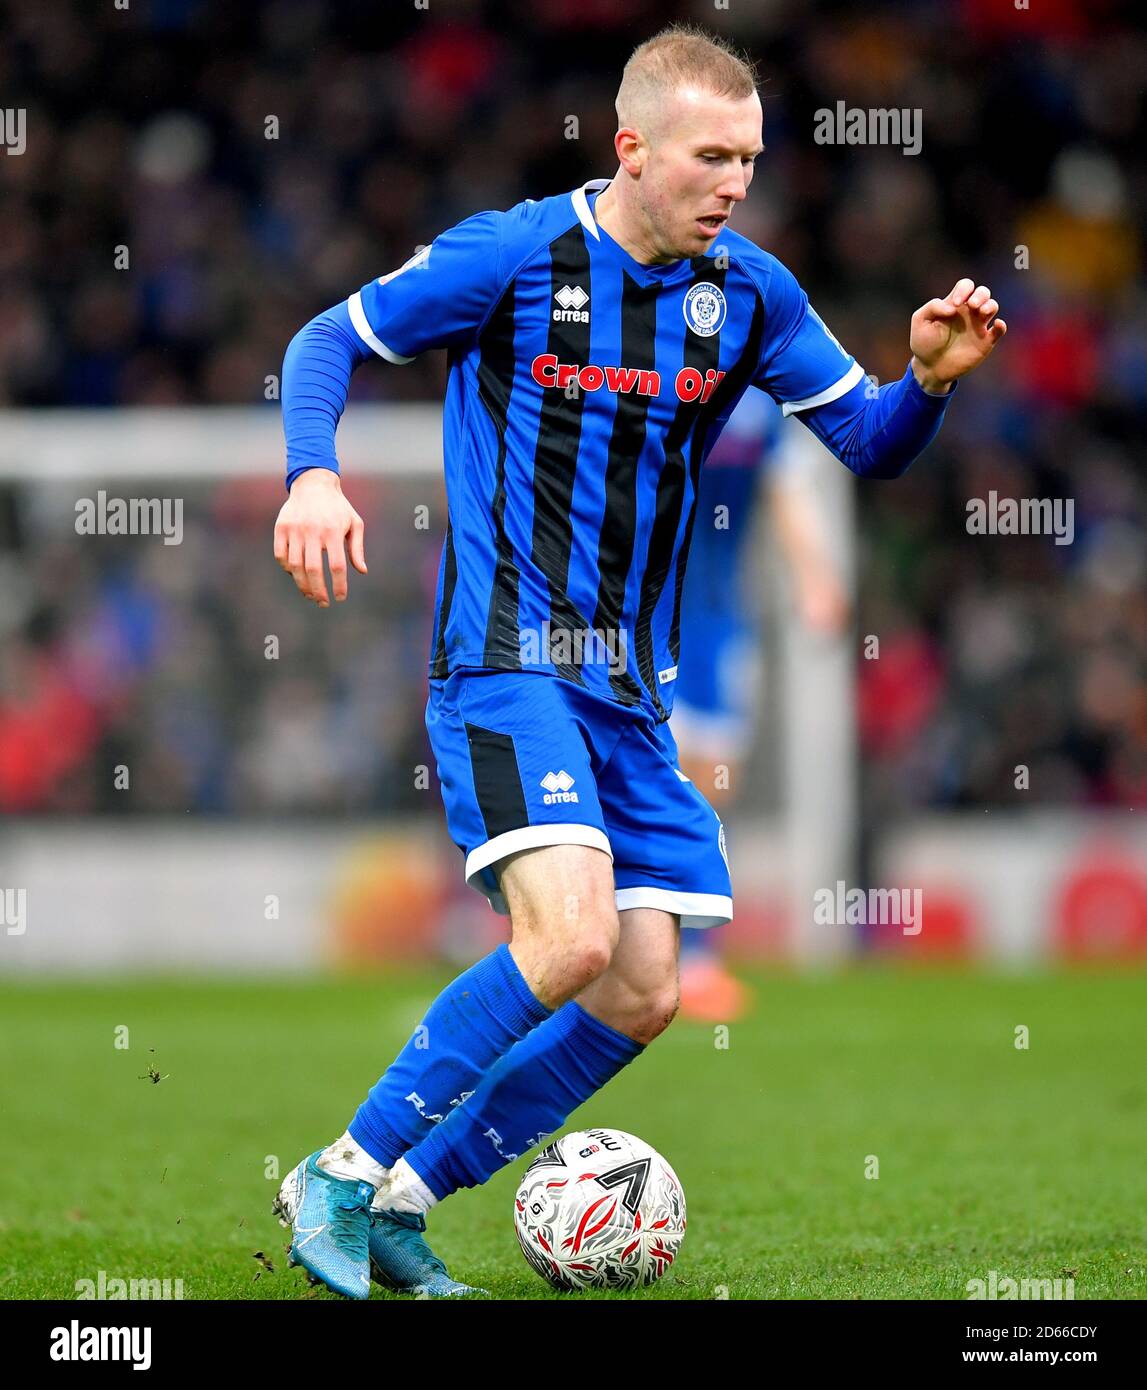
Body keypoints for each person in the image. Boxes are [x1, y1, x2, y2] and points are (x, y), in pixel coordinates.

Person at [271, 24, 1006, 1298]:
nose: (734, 182)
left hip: (627, 689)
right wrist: (314, 474)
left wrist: (929, 384)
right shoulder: (511, 253)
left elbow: (869, 446)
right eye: (711, 156)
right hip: (503, 661)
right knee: (567, 940)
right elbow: (324, 343)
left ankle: (405, 1198)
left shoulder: (754, 295)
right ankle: (333, 1174)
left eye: (750, 159)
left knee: (646, 988)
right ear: (632, 148)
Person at [671, 390, 848, 1022]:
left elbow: (786, 490)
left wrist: (816, 579)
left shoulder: (759, 402)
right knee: (643, 777)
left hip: (717, 618)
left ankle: (693, 957)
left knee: (712, 784)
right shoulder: (640, 365)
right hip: (632, 617)